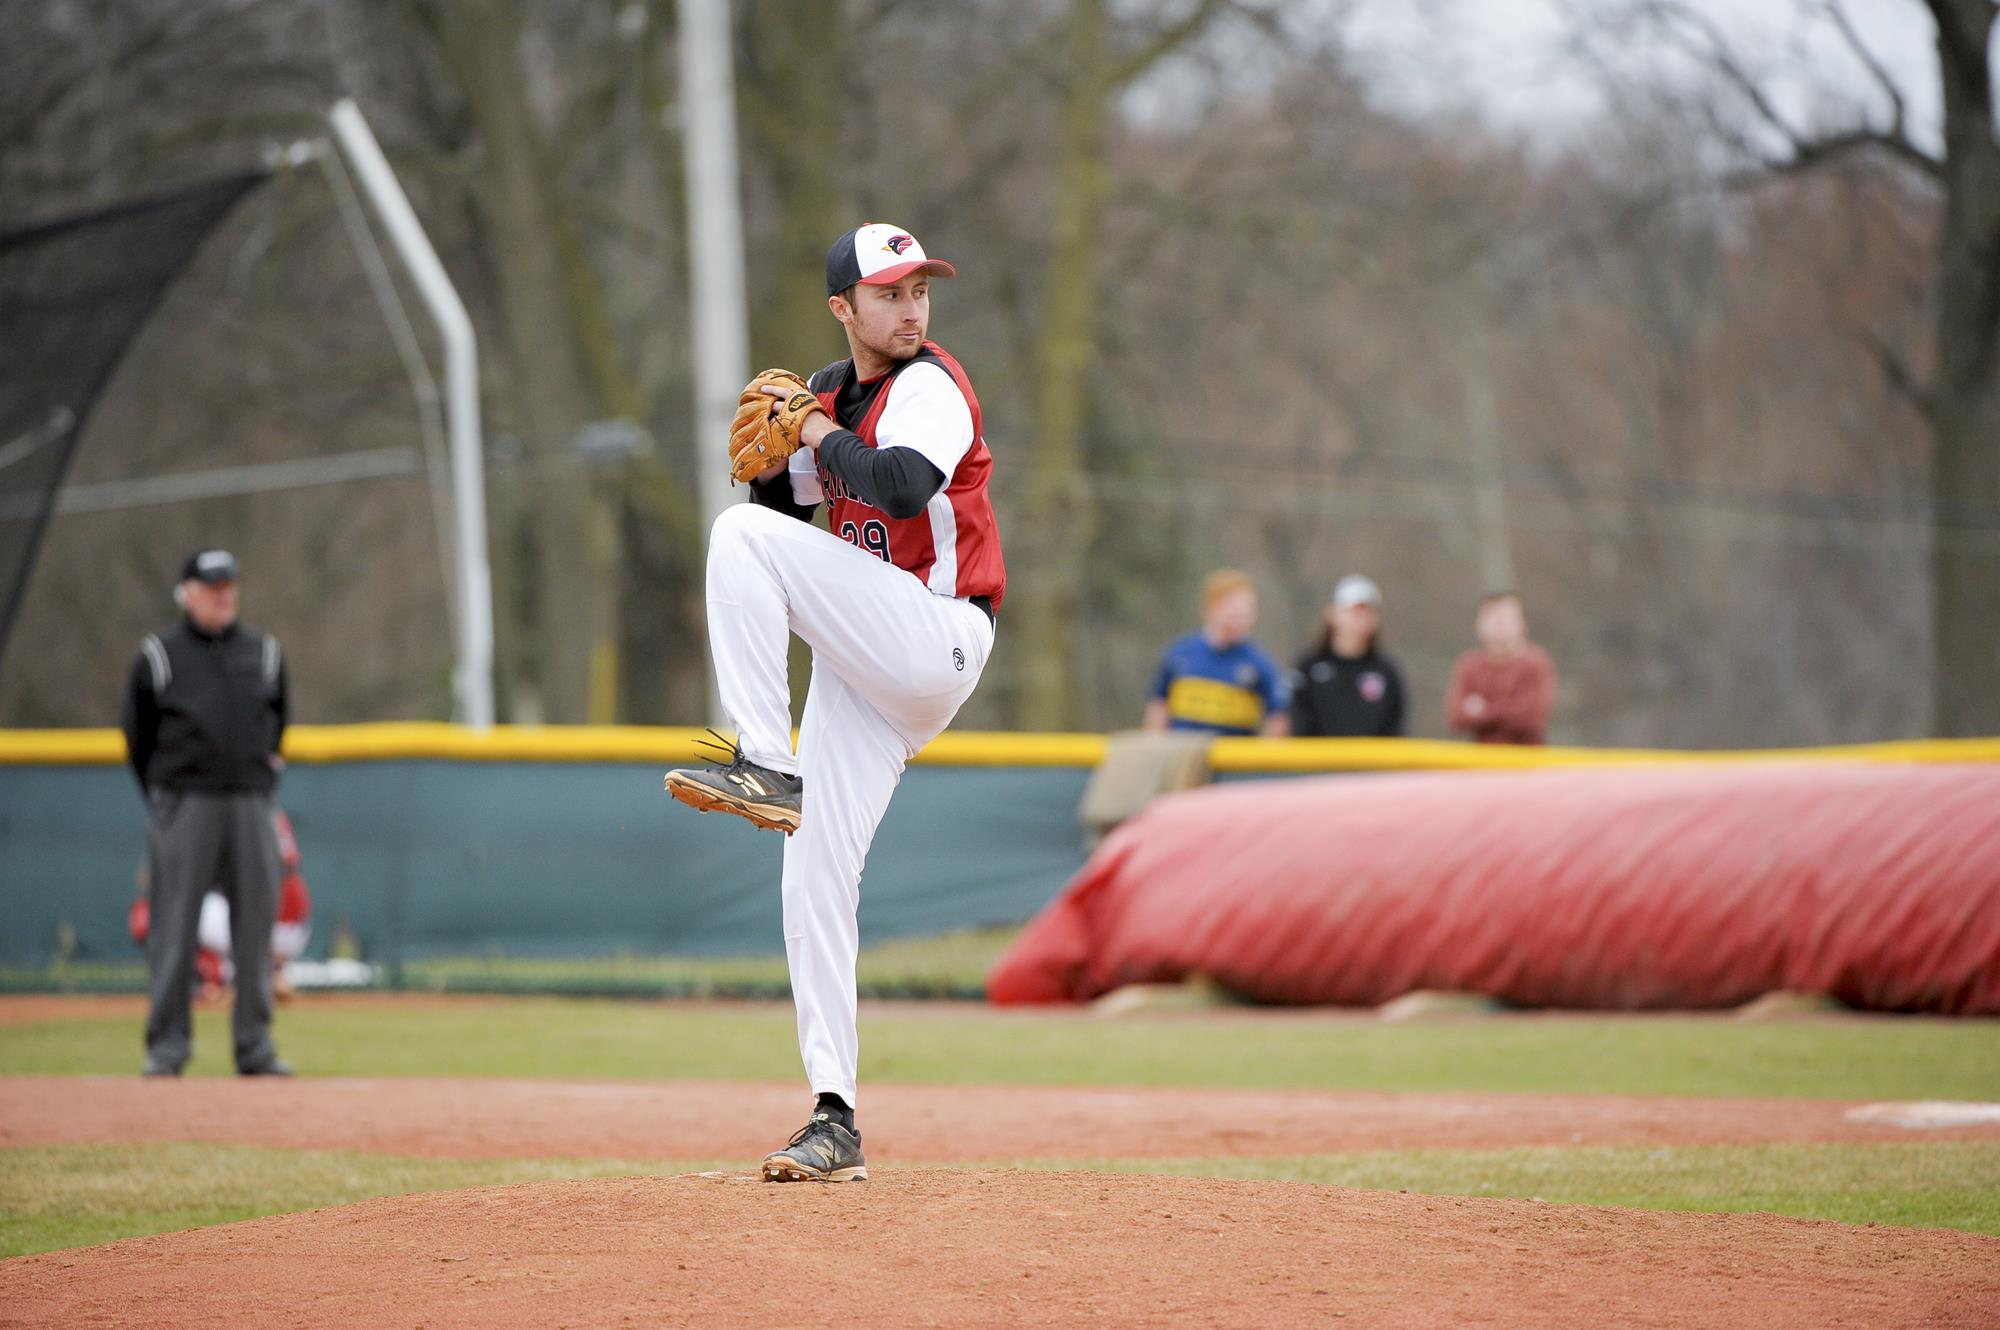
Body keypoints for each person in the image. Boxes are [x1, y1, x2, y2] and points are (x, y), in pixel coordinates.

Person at [662, 223, 1002, 1183]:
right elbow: (788, 522)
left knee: (734, 539)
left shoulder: (930, 383)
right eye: (890, 294)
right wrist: (776, 465)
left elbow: (898, 487)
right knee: (811, 869)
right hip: (869, 664)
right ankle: (833, 1115)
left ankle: (764, 758)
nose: (911, 308)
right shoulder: (835, 390)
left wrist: (806, 429)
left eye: (920, 291)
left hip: (937, 631)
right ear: (842, 309)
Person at [121, 549, 292, 1077]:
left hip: (248, 800)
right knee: (174, 925)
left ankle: (255, 1046)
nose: (223, 595)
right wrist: (164, 793)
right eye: (211, 585)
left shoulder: (264, 651)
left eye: (229, 585)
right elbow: (136, 734)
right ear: (187, 592)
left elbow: (280, 721)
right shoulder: (159, 655)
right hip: (185, 799)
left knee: (255, 925)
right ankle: (168, 1046)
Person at [127, 806, 313, 1003]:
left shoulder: (228, 811)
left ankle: (219, 979)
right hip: (296, 931)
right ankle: (271, 973)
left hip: (264, 924)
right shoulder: (268, 809)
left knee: (154, 911)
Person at [1143, 569, 1289, 737]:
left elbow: (1277, 716)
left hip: (1233, 759)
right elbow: (1159, 705)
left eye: (1247, 611)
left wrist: (1263, 757)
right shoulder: (1181, 652)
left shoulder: (1258, 663)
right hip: (1182, 757)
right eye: (1234, 610)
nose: (1241, 618)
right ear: (1211, 607)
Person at [1288, 573, 1406, 737]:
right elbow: (1298, 719)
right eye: (1353, 611)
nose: (1359, 618)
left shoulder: (1387, 671)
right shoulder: (1308, 666)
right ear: (1332, 613)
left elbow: (1396, 726)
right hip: (1319, 761)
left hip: (1372, 761)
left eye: (1367, 612)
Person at [1446, 590, 1556, 745]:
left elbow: (1533, 718)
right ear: (1478, 624)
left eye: (1506, 619)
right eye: (1492, 619)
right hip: (1481, 763)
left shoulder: (1536, 663)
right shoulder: (1469, 665)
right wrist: (1513, 706)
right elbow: (1457, 717)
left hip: (1527, 763)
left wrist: (1483, 709)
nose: (1499, 626)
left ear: (1523, 624)